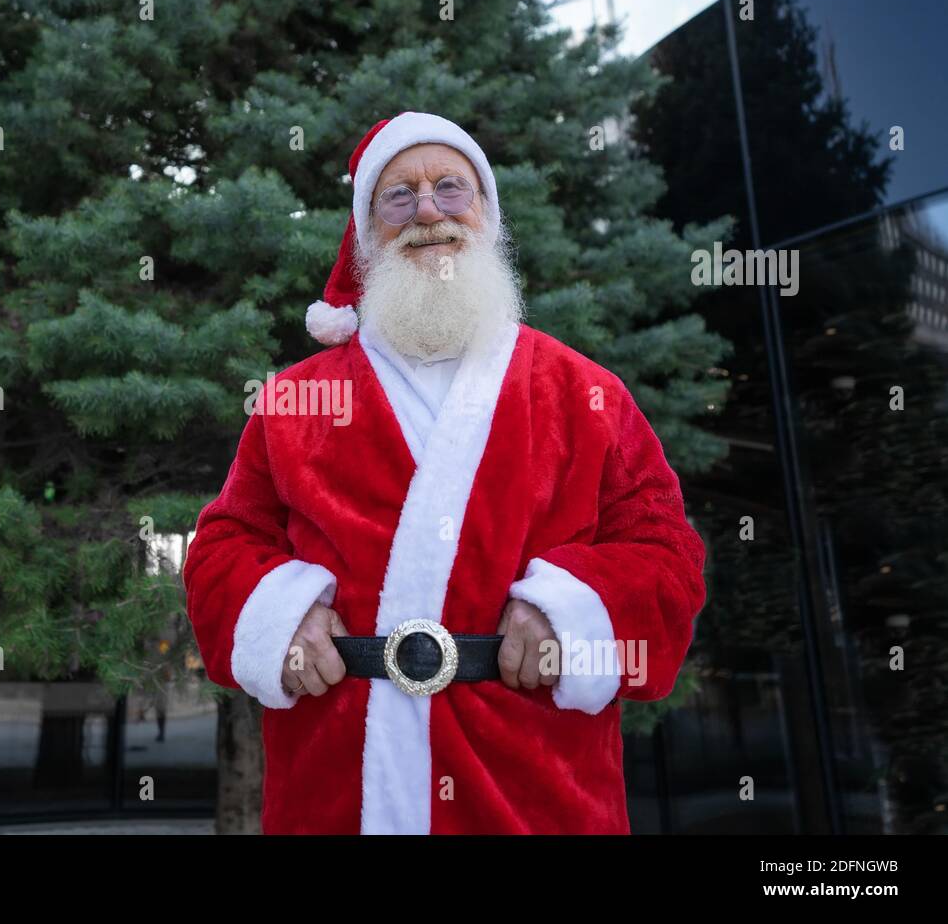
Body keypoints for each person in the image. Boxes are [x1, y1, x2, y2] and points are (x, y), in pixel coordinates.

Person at [182, 112, 706, 834]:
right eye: (398, 197)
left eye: (451, 188)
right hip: (337, 785)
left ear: (487, 215)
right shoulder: (296, 400)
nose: (428, 211)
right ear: (368, 234)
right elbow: (222, 546)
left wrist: (569, 610)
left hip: (536, 786)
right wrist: (279, 611)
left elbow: (669, 558)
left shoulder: (585, 394)